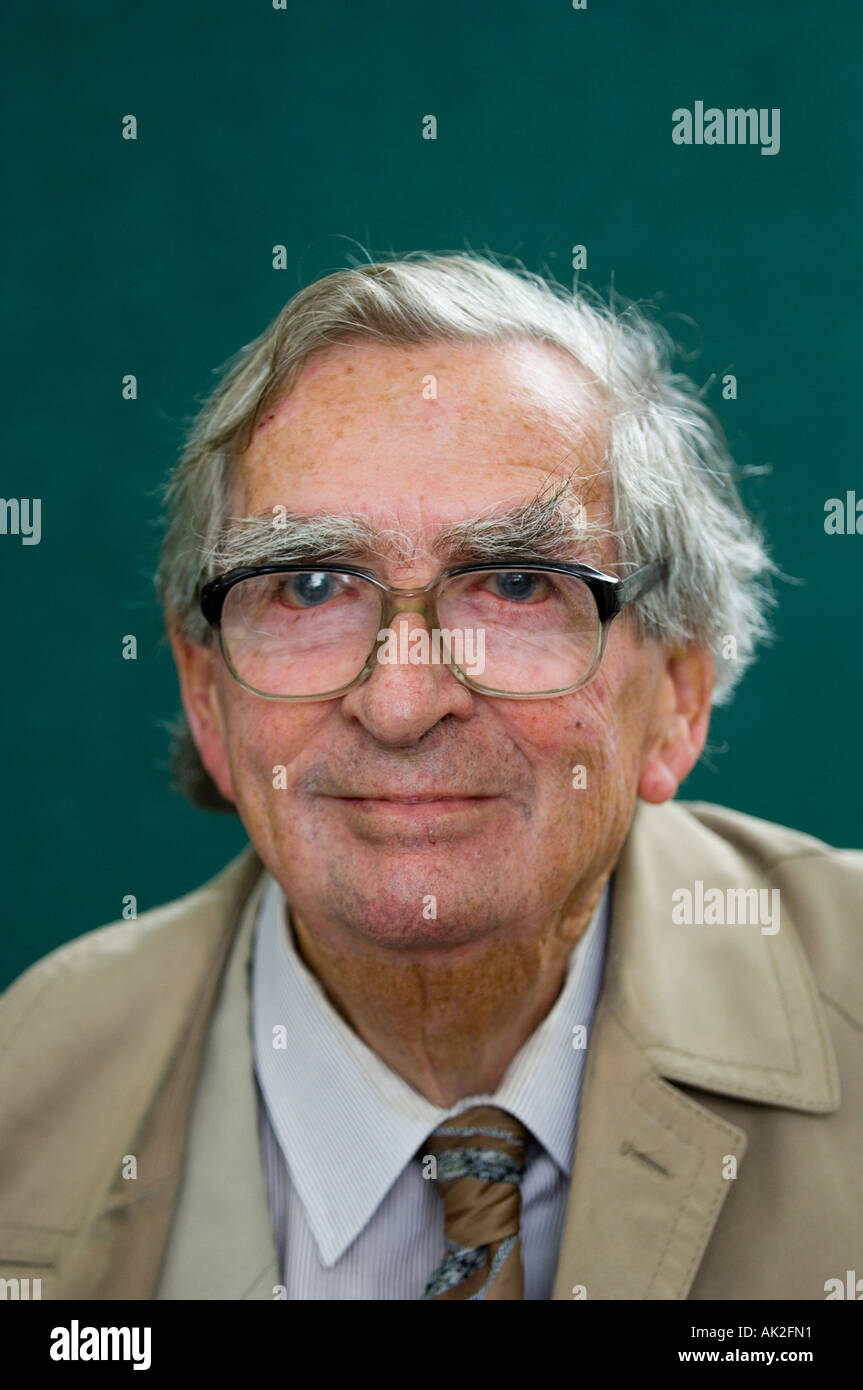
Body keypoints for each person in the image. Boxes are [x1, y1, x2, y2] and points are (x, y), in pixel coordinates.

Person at [1, 253, 860, 1302]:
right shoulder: (23, 1093)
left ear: (678, 693)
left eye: (512, 583)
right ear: (205, 695)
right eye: (309, 584)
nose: (403, 703)